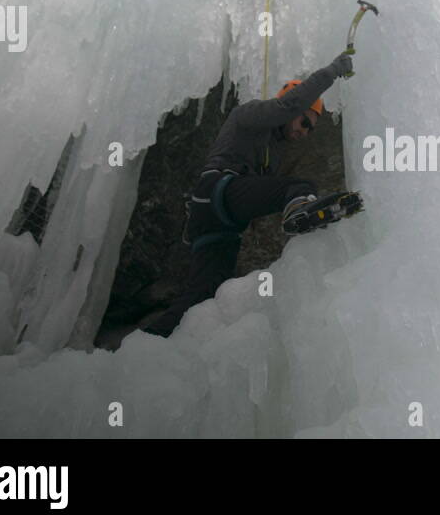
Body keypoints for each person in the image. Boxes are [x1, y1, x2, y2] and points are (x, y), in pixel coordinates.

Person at [141, 53, 354, 337]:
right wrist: (331, 72)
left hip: (214, 220)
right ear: (294, 111)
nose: (306, 132)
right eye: (304, 123)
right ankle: (299, 210)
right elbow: (288, 104)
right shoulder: (251, 114)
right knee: (300, 188)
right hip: (219, 189)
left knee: (203, 296)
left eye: (311, 130)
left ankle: (147, 345)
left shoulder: (276, 149)